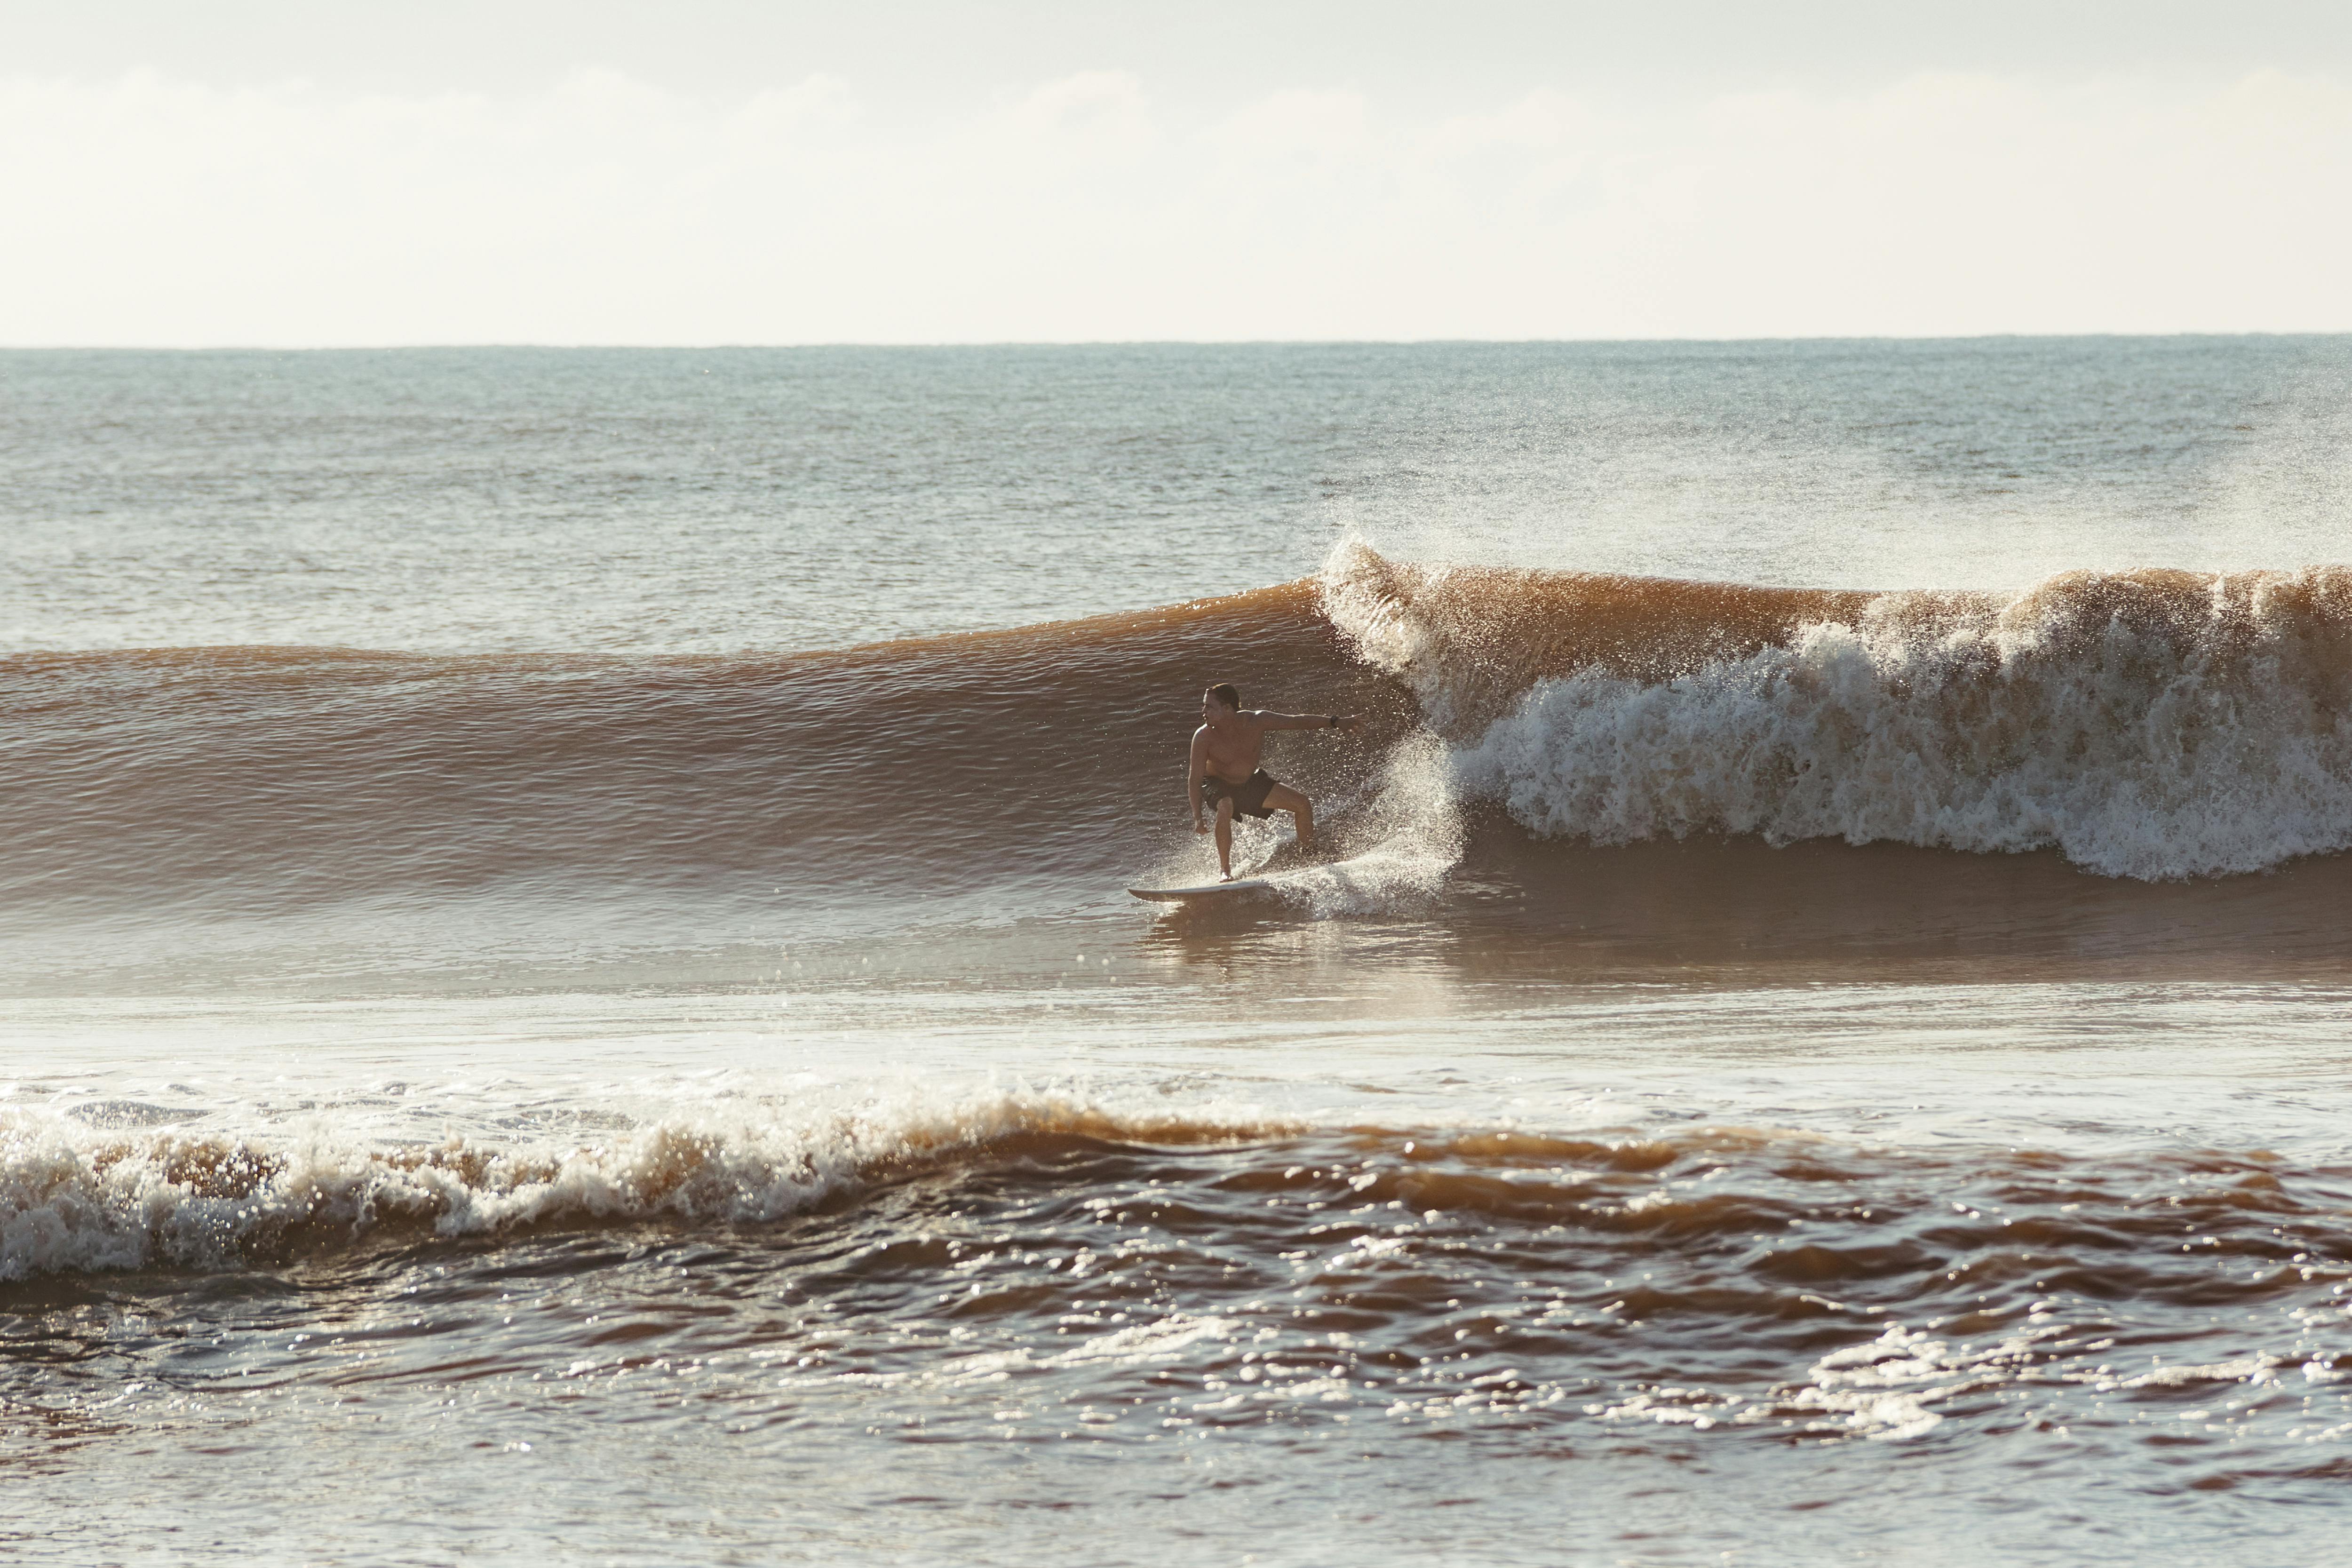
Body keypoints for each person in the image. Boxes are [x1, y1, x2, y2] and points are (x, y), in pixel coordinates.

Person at [1188, 682, 1359, 880]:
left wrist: (1335, 722)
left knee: (1302, 804)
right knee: (1225, 805)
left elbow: (1297, 721)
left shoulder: (1257, 721)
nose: (1203, 712)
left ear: (1227, 708)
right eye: (1204, 706)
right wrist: (1197, 816)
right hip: (1216, 783)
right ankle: (1225, 871)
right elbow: (1195, 779)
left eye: (1209, 707)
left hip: (1249, 782)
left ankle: (1309, 854)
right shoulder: (1203, 737)